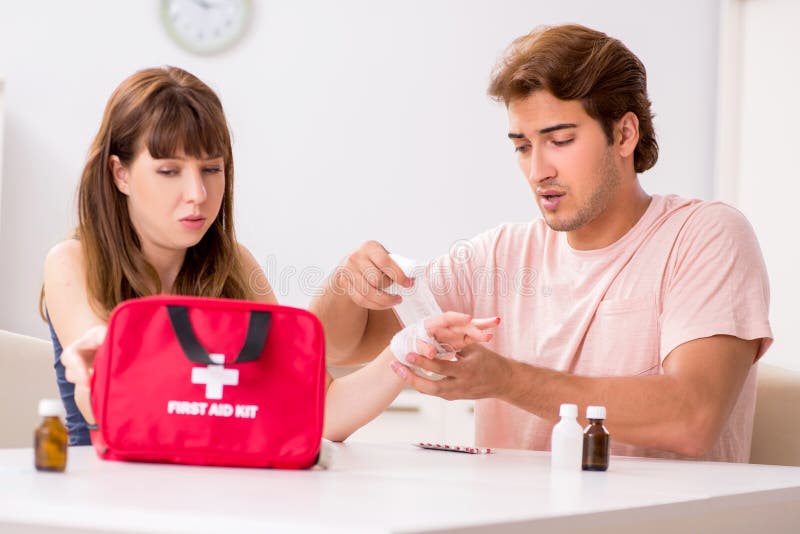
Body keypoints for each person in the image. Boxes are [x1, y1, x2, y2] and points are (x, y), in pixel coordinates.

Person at [310, 24, 773, 462]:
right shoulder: (498, 256)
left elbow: (692, 416)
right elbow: (336, 346)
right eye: (522, 147)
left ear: (624, 134)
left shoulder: (704, 237)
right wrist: (348, 283)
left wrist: (506, 379)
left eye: (560, 140)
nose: (538, 171)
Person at [42, 66, 496, 447]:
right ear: (119, 173)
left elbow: (316, 411)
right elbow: (105, 399)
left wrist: (408, 345)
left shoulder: (234, 265)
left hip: (215, 489)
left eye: (211, 169)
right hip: (109, 491)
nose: (197, 193)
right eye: (169, 171)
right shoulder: (72, 262)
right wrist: (101, 359)